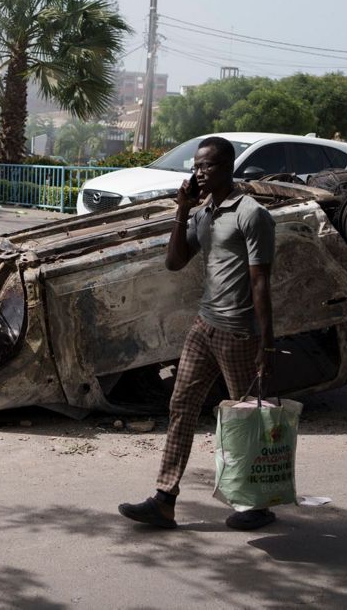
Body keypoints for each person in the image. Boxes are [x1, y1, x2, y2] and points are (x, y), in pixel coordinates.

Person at [119, 136, 277, 531]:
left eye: (206, 166)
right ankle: (164, 499)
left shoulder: (251, 214)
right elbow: (174, 262)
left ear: (228, 167)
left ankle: (254, 504)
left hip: (239, 332)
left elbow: (261, 282)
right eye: (196, 166)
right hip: (204, 325)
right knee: (181, 406)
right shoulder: (202, 212)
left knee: (244, 420)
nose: (198, 173)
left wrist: (266, 341)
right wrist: (182, 210)